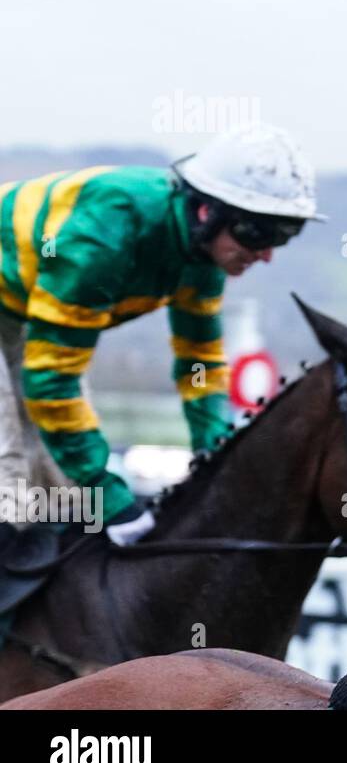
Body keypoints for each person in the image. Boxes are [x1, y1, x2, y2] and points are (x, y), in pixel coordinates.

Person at [0, 125, 322, 547]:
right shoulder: (105, 232)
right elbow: (51, 382)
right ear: (208, 211)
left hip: (23, 306)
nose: (266, 255)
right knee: (12, 486)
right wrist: (110, 494)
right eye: (259, 233)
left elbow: (199, 364)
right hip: (23, 300)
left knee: (66, 496)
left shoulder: (205, 257)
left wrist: (215, 460)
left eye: (285, 235)